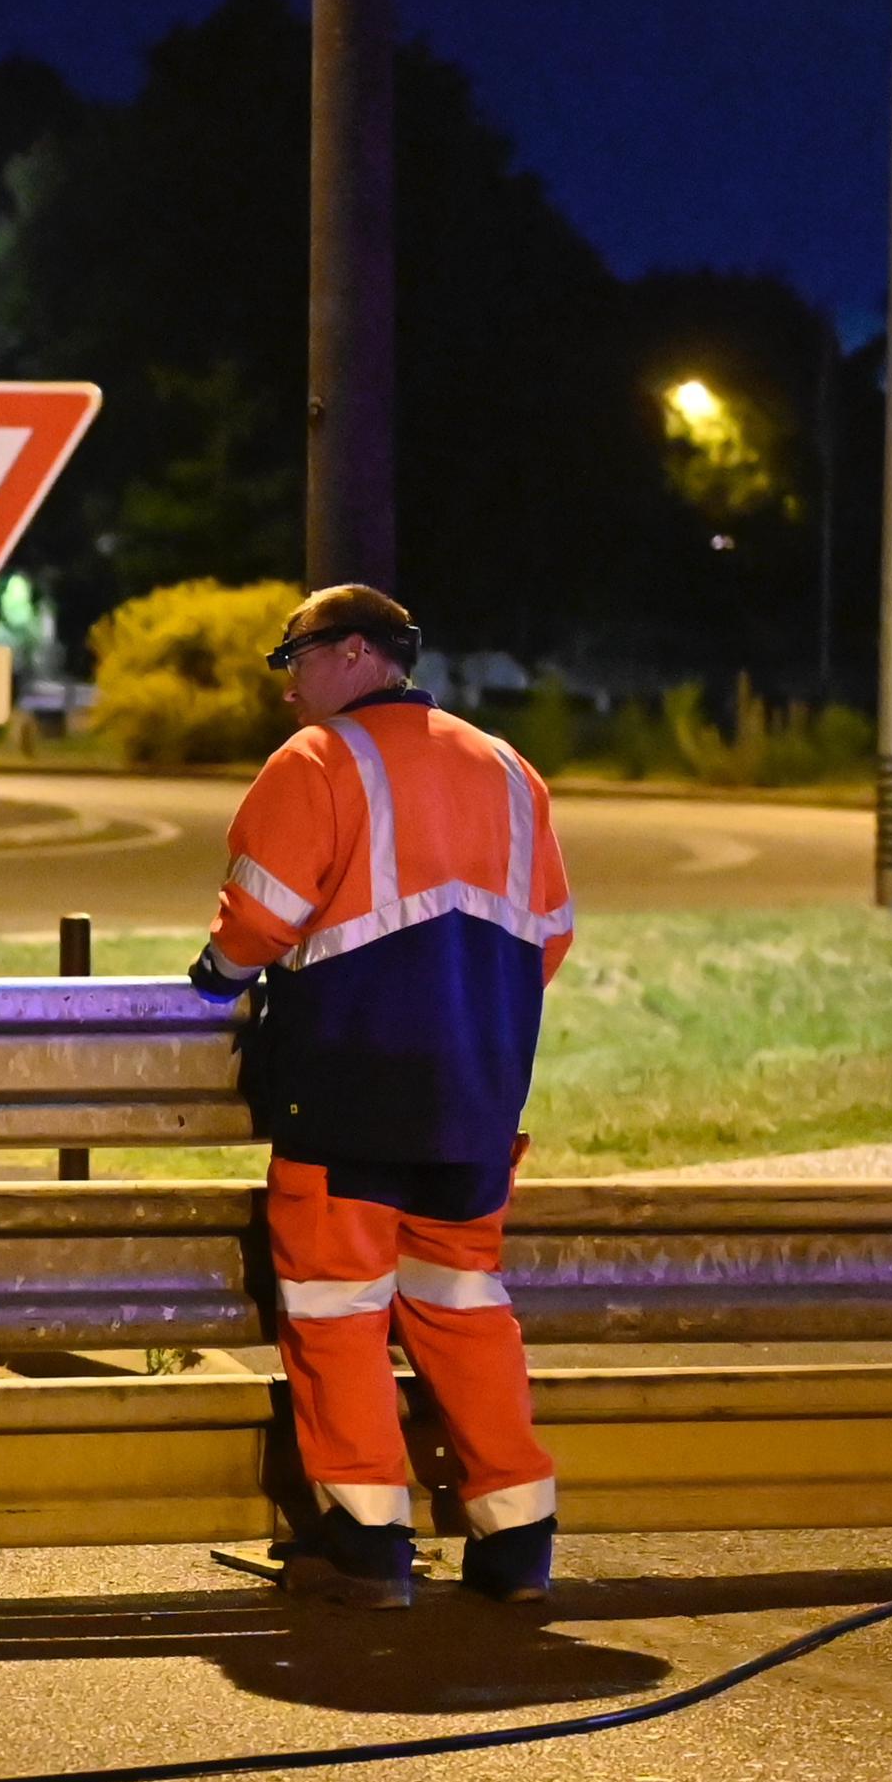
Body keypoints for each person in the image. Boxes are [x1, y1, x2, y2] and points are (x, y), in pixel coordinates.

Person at [188, 583, 576, 1608]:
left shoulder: (315, 762)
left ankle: (365, 1541)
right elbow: (551, 934)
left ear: (352, 653)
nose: (287, 690)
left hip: (345, 1088)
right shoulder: (507, 768)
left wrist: (215, 976)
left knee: (334, 1308)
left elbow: (258, 921)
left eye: (293, 661)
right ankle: (515, 1535)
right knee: (462, 1303)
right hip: (475, 1095)